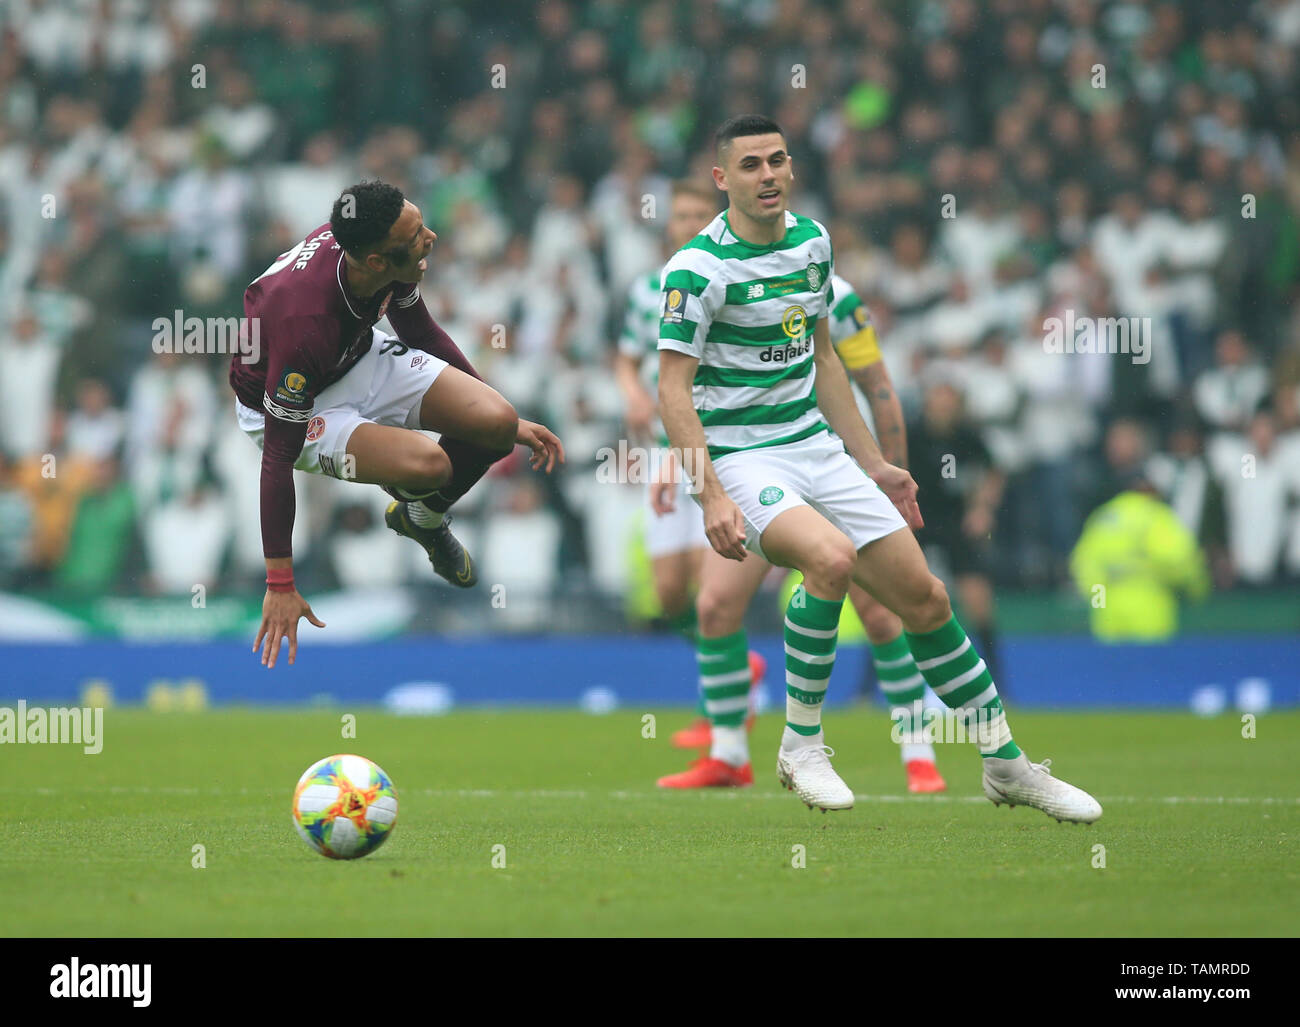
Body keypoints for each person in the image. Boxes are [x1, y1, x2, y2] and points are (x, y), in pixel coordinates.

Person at [656, 115, 1100, 822]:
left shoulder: (813, 244)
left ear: (792, 167)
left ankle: (1005, 762)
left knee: (925, 600)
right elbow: (671, 388)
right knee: (827, 560)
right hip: (742, 455)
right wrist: (707, 491)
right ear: (721, 180)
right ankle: (801, 745)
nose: (766, 175)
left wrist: (875, 463)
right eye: (749, 166)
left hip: (818, 448)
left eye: (776, 160)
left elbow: (827, 360)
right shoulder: (696, 269)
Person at [230, 180, 564, 668]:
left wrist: (498, 413)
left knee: (495, 421)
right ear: (378, 263)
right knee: (430, 465)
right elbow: (277, 458)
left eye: (420, 221)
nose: (430, 237)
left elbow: (419, 329)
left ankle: (420, 518)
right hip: (286, 404)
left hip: (353, 355)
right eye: (416, 237)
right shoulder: (304, 323)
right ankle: (416, 495)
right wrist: (279, 583)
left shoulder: (375, 248)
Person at [657, 269, 947, 794]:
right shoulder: (706, 281)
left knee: (882, 616)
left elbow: (876, 385)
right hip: (753, 473)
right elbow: (685, 393)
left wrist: (887, 471)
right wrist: (671, 466)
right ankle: (728, 754)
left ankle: (917, 750)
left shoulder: (832, 291)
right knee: (715, 607)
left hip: (830, 466)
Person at [614, 180, 767, 752]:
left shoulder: (736, 279)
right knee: (671, 592)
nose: (687, 223)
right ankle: (737, 668)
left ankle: (719, 713)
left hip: (719, 448)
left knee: (713, 589)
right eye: (680, 215)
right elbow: (627, 359)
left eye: (699, 214)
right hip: (665, 450)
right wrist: (632, 391)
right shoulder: (647, 289)